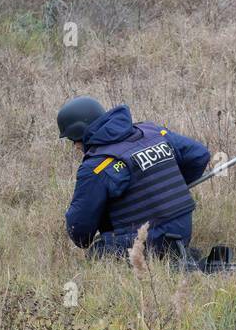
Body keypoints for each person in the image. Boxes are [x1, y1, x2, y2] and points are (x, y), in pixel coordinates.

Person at [58, 96, 211, 261]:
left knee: (98, 252)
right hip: (184, 231)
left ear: (78, 133)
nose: (75, 146)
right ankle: (172, 254)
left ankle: (160, 256)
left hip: (149, 239)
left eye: (72, 140)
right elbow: (200, 155)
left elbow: (80, 233)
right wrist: (167, 186)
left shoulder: (96, 166)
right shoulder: (152, 132)